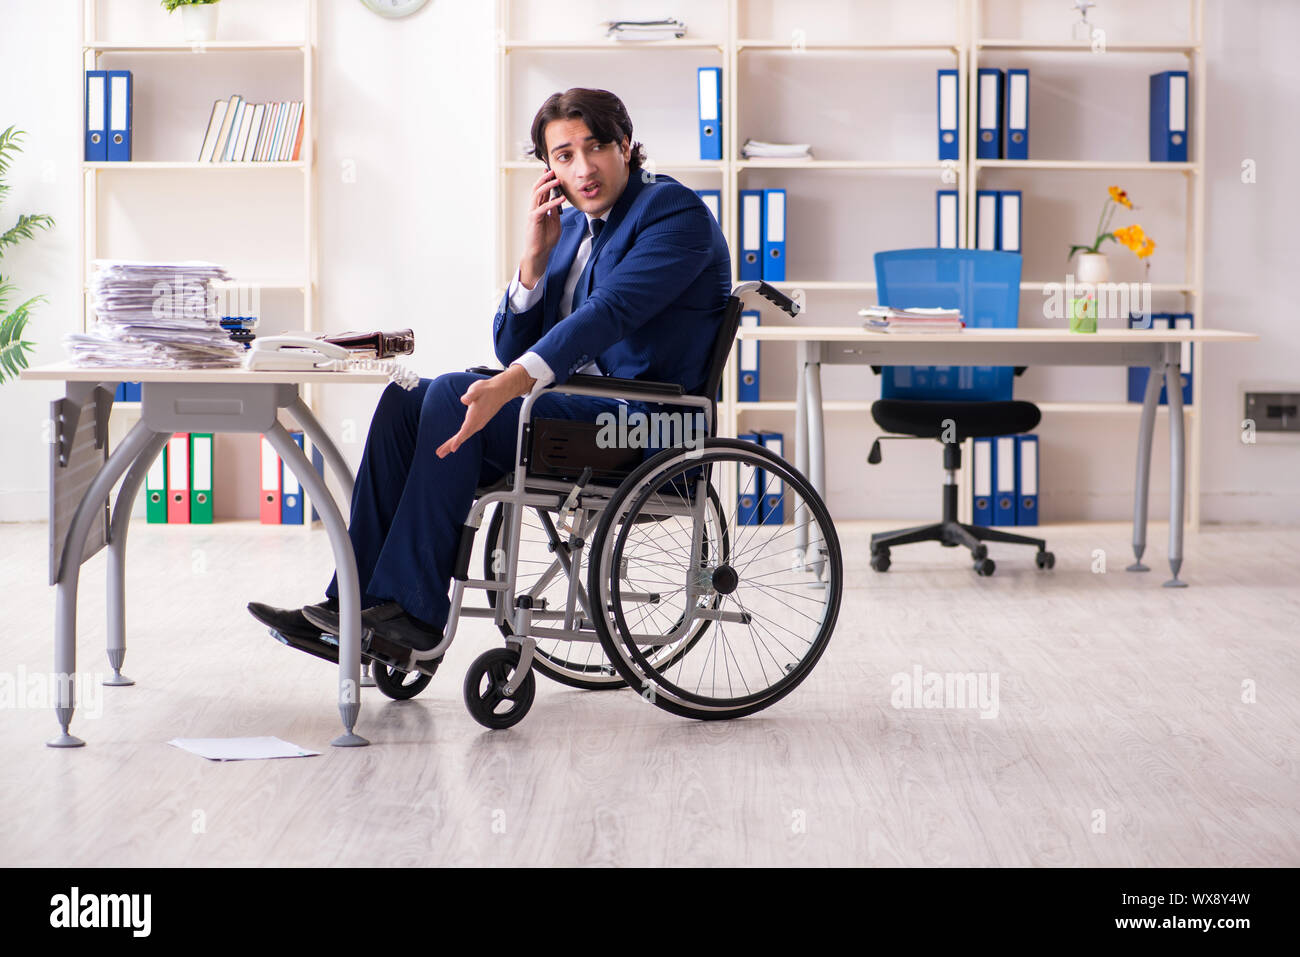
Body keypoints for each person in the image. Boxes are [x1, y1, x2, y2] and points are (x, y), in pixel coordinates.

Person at [248, 87, 731, 662]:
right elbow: (513, 347)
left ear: (625, 145)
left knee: (455, 393)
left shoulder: (673, 213)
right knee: (406, 401)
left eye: (595, 147)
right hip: (581, 412)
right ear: (548, 167)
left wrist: (507, 387)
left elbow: (612, 313)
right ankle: (355, 604)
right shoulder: (572, 227)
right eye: (563, 156)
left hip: (645, 427)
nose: (583, 168)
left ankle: (412, 614)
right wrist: (532, 261)